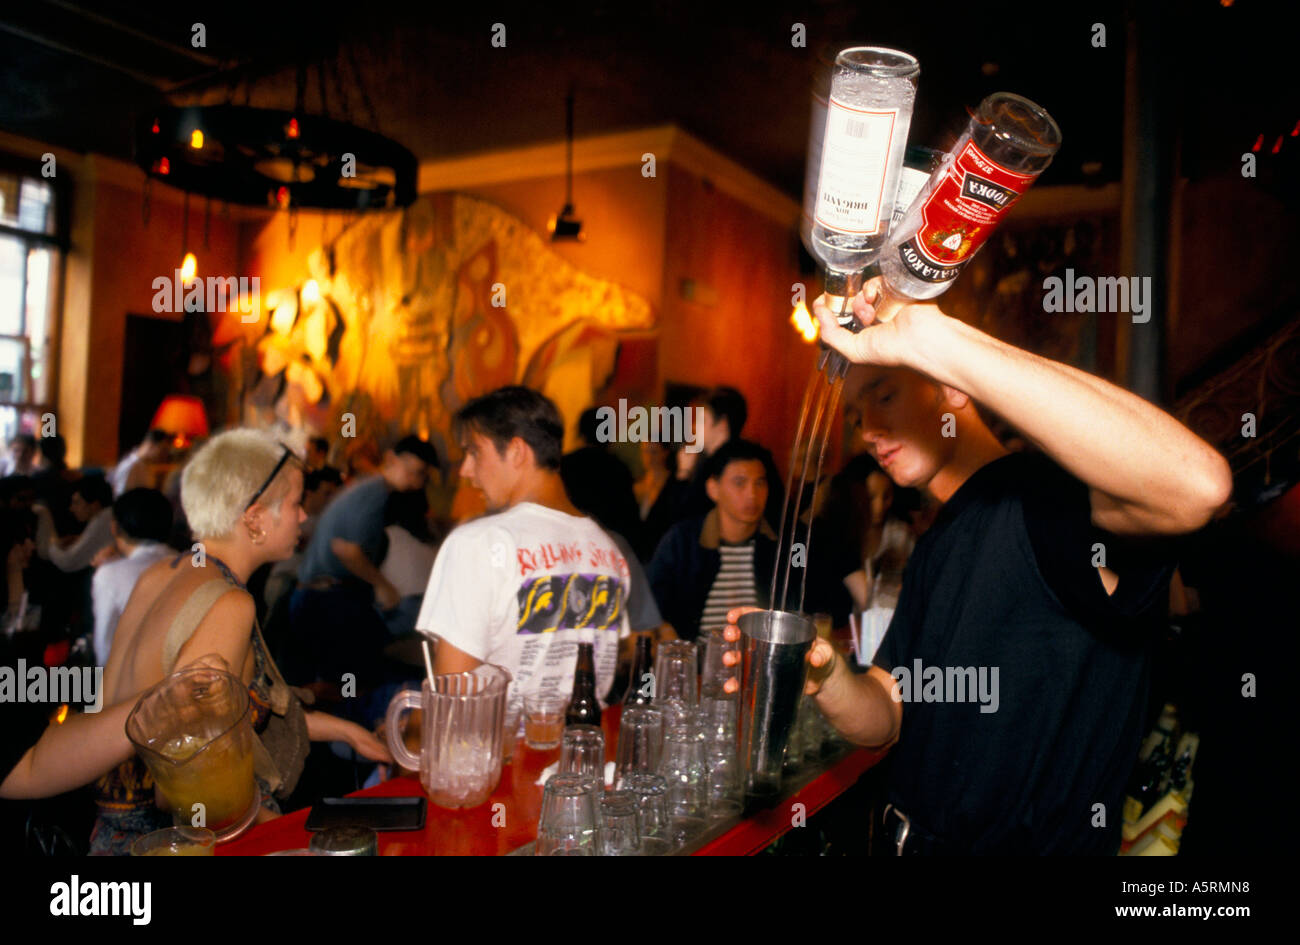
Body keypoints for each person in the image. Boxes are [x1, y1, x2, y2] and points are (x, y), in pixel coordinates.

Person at [722, 280, 1232, 854]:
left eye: (884, 396)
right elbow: (888, 711)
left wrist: (933, 338)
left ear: (950, 388)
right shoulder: (941, 539)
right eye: (858, 415)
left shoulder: (1046, 499)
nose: (867, 432)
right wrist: (826, 676)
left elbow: (1199, 486)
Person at [94, 429, 389, 855]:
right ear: (254, 517)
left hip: (111, 837)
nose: (304, 516)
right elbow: (198, 791)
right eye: (295, 503)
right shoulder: (228, 605)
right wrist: (299, 840)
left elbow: (240, 717)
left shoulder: (166, 571)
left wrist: (347, 731)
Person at [418, 386, 632, 729]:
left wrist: (404, 736)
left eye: (474, 452)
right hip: (582, 764)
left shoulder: (479, 544)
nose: (466, 471)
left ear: (517, 451)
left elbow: (452, 707)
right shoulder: (608, 551)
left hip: (498, 773)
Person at [285, 435, 438, 710]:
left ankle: (342, 736)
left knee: (340, 682)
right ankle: (345, 741)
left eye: (422, 475)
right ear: (391, 460)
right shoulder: (375, 492)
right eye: (414, 472)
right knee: (344, 687)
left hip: (320, 596)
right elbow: (346, 549)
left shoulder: (368, 491)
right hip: (325, 598)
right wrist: (383, 585)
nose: (417, 481)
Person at [647, 438, 849, 643]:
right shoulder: (682, 542)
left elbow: (827, 607)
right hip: (699, 665)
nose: (752, 494)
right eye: (739, 483)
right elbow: (650, 608)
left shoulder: (787, 544)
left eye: (760, 483)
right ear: (713, 488)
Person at [90, 488, 174, 663]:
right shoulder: (186, 561)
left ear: (114, 527)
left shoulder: (110, 574)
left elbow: (105, 645)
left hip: (133, 676)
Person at [560, 406, 643, 555]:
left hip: (568, 546)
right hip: (607, 551)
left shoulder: (565, 465)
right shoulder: (620, 469)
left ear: (581, 432)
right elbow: (629, 522)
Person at [34, 474, 115, 573]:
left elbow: (68, 561)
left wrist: (53, 546)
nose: (72, 509)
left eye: (76, 502)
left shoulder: (101, 520)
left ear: (94, 505)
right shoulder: (106, 516)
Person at [109, 429, 172, 497]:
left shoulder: (147, 466)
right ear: (150, 445)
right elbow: (121, 497)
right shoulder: (131, 466)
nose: (164, 455)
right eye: (163, 449)